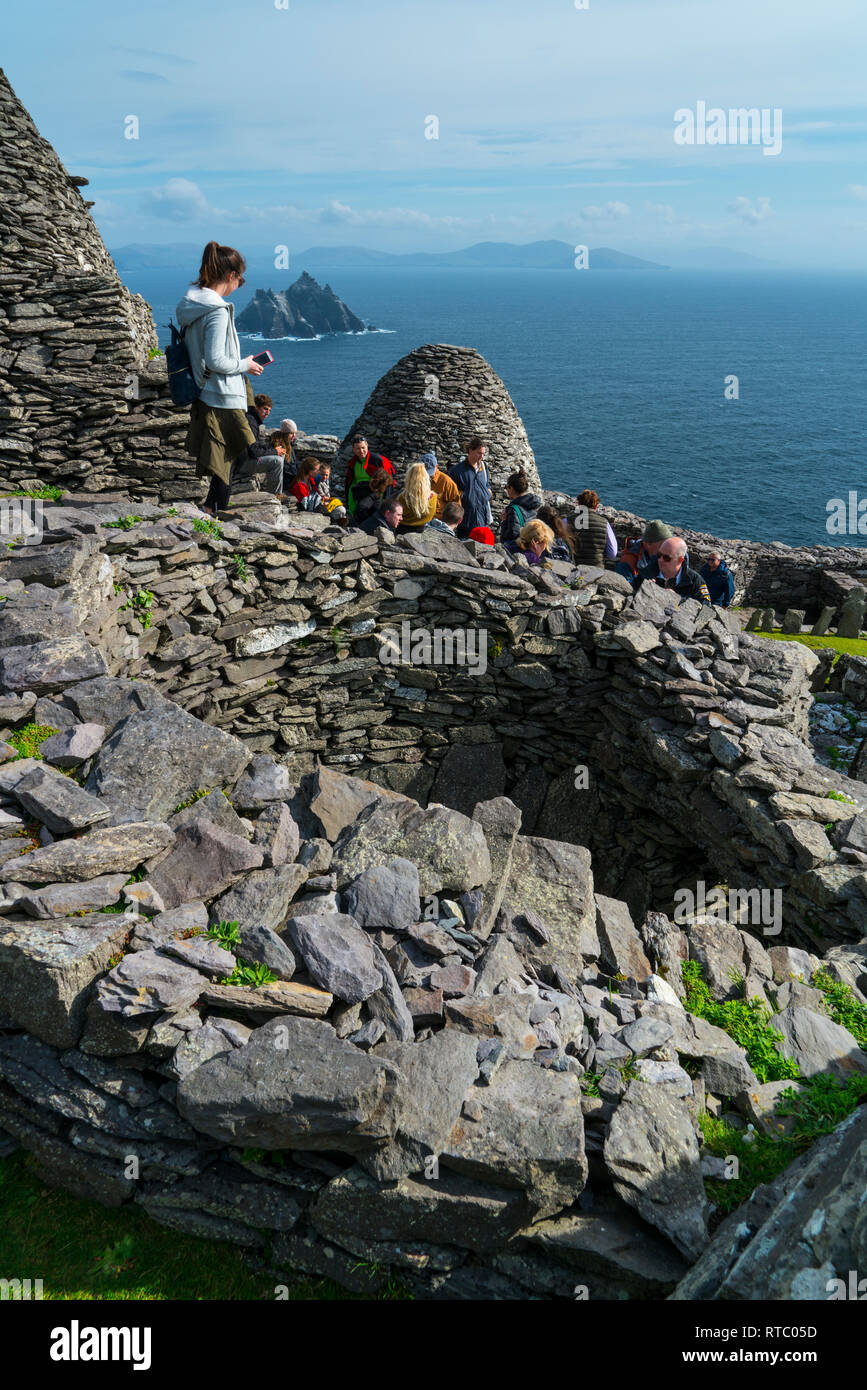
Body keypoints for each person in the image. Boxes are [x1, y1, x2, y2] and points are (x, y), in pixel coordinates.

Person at [176, 241, 265, 515]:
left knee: (227, 457)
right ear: (231, 276)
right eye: (241, 278)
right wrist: (245, 364)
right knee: (236, 453)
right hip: (222, 395)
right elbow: (216, 361)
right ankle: (211, 511)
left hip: (206, 391)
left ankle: (210, 509)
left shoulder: (192, 306)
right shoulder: (216, 311)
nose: (240, 284)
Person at [450, 436, 492, 538]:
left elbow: (487, 485)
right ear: (470, 450)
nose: (481, 456)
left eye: (483, 453)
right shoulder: (456, 471)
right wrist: (464, 496)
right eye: (479, 453)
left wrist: (488, 494)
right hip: (466, 524)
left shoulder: (484, 467)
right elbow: (451, 494)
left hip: (483, 522)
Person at [651, 537, 711, 604]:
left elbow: (706, 604)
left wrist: (678, 599)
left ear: (680, 560)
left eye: (666, 558)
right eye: (659, 555)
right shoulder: (647, 572)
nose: (660, 560)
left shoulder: (696, 580)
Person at [345, 435, 395, 515]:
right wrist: (351, 507)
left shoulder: (378, 461)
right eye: (358, 448)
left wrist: (385, 503)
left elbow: (388, 482)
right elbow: (351, 485)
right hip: (360, 495)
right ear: (353, 449)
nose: (361, 451)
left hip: (376, 496)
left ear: (367, 446)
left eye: (363, 448)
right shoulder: (352, 463)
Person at [615, 519, 674, 587]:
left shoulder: (659, 556)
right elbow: (621, 587)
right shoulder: (628, 561)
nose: (666, 549)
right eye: (663, 545)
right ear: (649, 543)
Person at [570, 489, 617, 566]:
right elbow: (612, 553)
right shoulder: (605, 524)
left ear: (579, 504)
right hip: (596, 570)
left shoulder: (567, 521)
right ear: (596, 506)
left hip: (572, 568)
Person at [500, 470, 541, 546]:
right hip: (532, 545)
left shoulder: (513, 509)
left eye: (507, 487)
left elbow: (512, 535)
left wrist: (504, 521)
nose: (506, 490)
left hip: (519, 548)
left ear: (511, 488)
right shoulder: (534, 504)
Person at [397, 462, 438, 532]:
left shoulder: (402, 498)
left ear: (409, 478)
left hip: (402, 532)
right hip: (424, 532)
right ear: (426, 478)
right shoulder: (433, 497)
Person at [421, 450, 461, 517]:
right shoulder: (417, 479)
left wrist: (449, 525)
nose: (427, 475)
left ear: (437, 466)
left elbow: (456, 508)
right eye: (424, 471)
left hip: (439, 524)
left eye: (429, 471)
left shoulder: (447, 482)